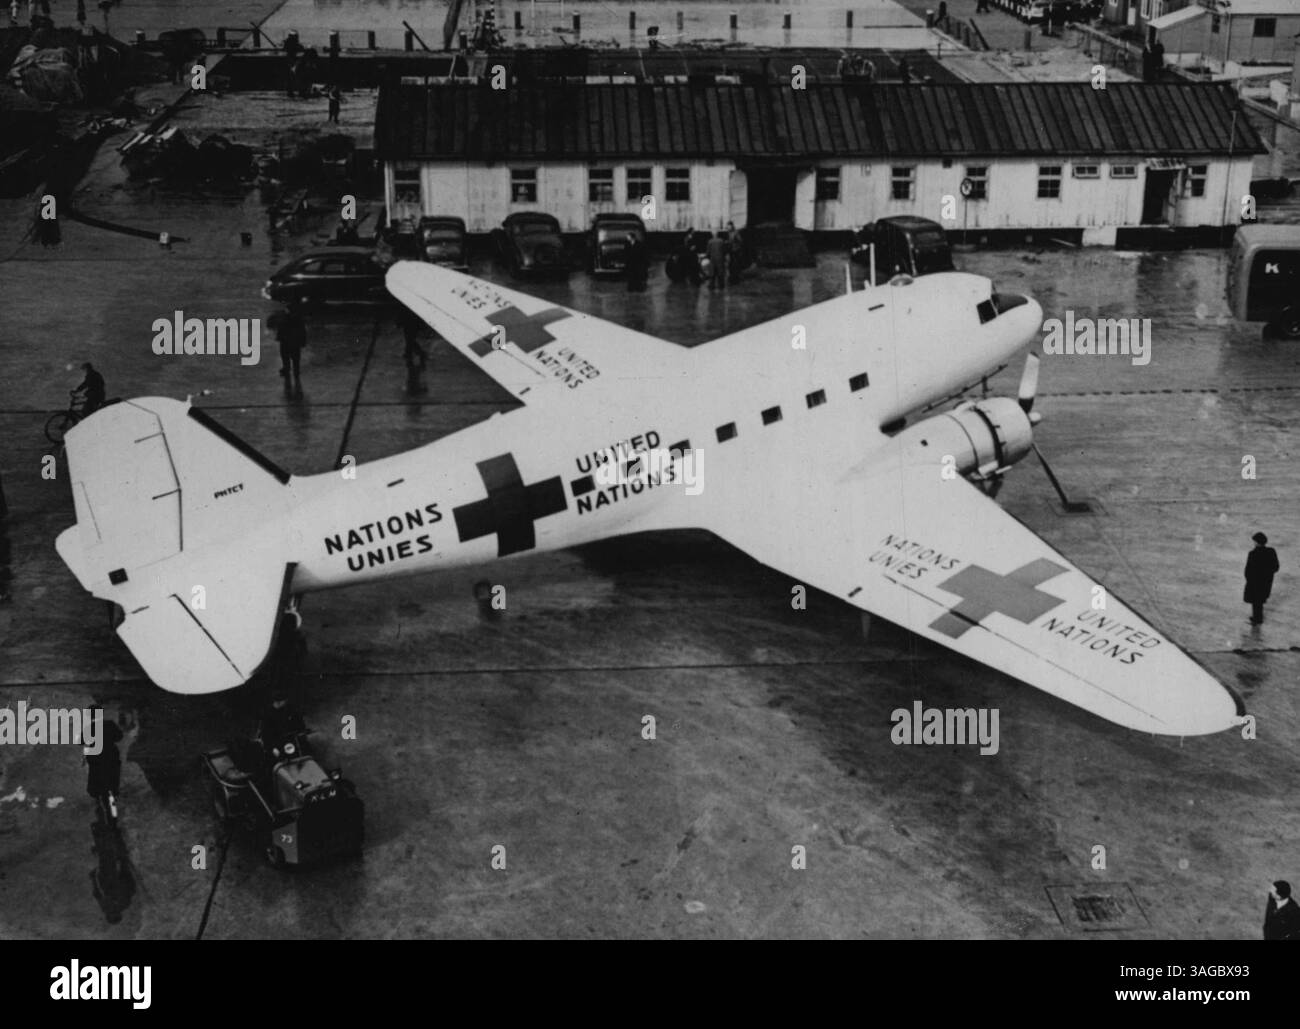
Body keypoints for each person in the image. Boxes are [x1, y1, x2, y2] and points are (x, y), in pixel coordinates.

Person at [1244, 532, 1279, 624]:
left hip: (1254, 582)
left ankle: (1257, 619)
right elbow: (1276, 567)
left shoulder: (1252, 554)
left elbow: (1248, 570)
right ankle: (1258, 617)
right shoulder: (1271, 551)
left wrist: (1249, 579)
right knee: (1260, 600)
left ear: (1257, 542)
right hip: (1266, 582)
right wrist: (1268, 574)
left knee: (1256, 601)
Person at [276, 301, 306, 397]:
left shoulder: (285, 318)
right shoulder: (298, 319)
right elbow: (302, 331)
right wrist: (303, 341)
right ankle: (295, 372)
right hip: (295, 342)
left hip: (286, 342)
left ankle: (287, 370)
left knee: (286, 357)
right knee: (295, 358)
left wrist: (279, 337)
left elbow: (281, 329)